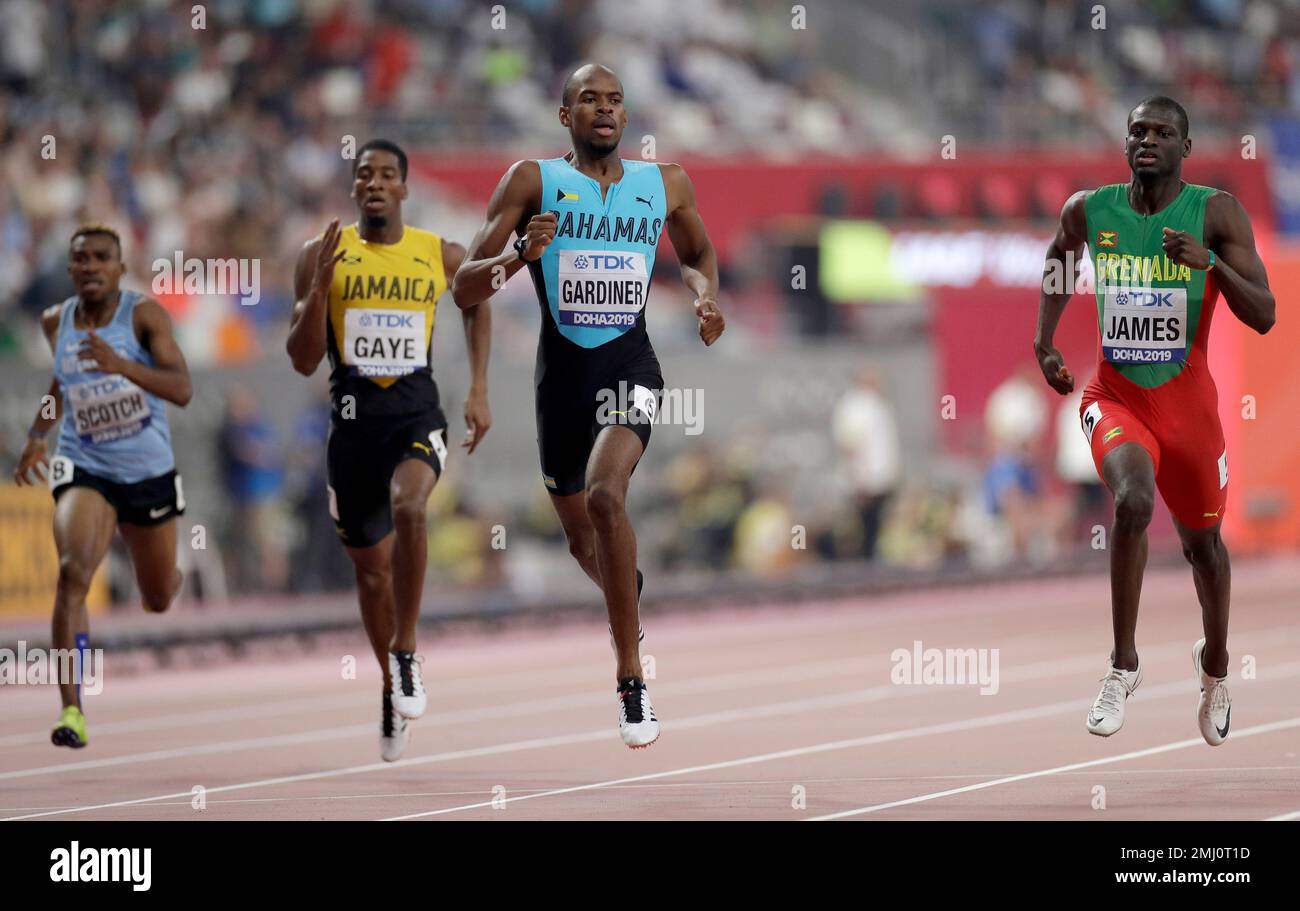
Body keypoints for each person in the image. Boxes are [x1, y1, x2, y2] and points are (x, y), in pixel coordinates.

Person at [453, 63, 726, 748]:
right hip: (561, 385)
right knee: (583, 538)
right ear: (564, 114)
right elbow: (463, 287)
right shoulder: (532, 181)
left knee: (607, 497)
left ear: (626, 116)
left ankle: (631, 680)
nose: (604, 111)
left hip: (631, 368)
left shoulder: (664, 184)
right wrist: (520, 253)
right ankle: (624, 591)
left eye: (615, 101)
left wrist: (703, 294)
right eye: (589, 101)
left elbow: (698, 250)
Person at [1033, 96, 1275, 745]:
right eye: (1138, 130)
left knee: (1205, 550)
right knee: (1133, 501)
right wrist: (1045, 342)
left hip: (1189, 406)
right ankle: (1123, 664)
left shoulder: (1217, 212)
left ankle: (1216, 667)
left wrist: (1212, 264)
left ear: (1185, 149)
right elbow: (1061, 255)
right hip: (1117, 397)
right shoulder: (1092, 208)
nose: (1148, 140)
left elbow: (1266, 313)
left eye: (1163, 133)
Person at [286, 140, 491, 761]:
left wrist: (478, 386)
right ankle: (389, 680)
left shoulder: (439, 252)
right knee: (371, 572)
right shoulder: (318, 255)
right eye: (363, 175)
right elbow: (300, 361)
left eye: (386, 175)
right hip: (351, 432)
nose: (374, 183)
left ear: (403, 188)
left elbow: (475, 301)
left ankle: (406, 651)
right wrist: (320, 288)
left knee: (411, 508)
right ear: (353, 189)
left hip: (415, 419)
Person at [12, 224, 191, 749]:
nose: (90, 266)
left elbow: (182, 389)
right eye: (80, 259)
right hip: (84, 462)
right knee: (72, 574)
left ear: (120, 266)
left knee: (156, 598)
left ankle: (169, 580)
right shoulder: (55, 322)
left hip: (147, 471)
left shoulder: (145, 317)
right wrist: (37, 435)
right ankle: (72, 709)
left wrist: (122, 365)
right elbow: (60, 385)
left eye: (101, 258)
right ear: (70, 269)